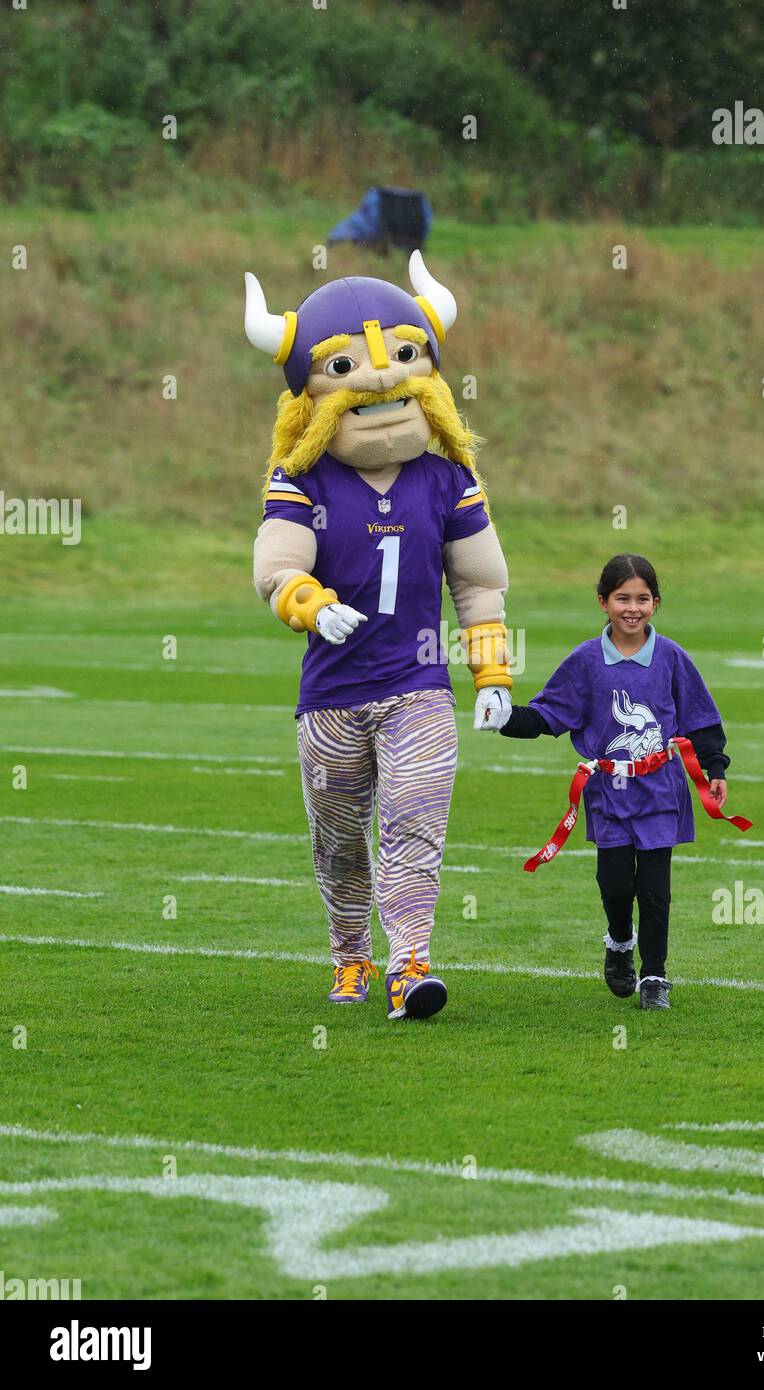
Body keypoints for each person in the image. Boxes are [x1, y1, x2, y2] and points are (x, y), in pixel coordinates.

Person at [245, 253, 513, 1020]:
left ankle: (411, 963)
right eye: (349, 369)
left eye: (403, 358)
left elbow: (478, 582)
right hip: (331, 695)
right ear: (311, 394)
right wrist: (305, 599)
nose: (380, 384)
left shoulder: (449, 479)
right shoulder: (301, 478)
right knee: (338, 841)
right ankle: (350, 953)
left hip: (418, 686)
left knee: (414, 823)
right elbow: (278, 562)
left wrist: (491, 676)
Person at [478, 554, 732, 1010]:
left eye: (642, 599)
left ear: (656, 603)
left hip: (659, 790)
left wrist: (716, 769)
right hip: (609, 794)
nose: (632, 608)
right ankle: (619, 945)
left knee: (655, 890)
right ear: (603, 601)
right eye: (622, 598)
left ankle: (655, 976)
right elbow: (549, 714)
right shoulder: (585, 661)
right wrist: (504, 718)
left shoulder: (672, 657)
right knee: (616, 886)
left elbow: (701, 717)